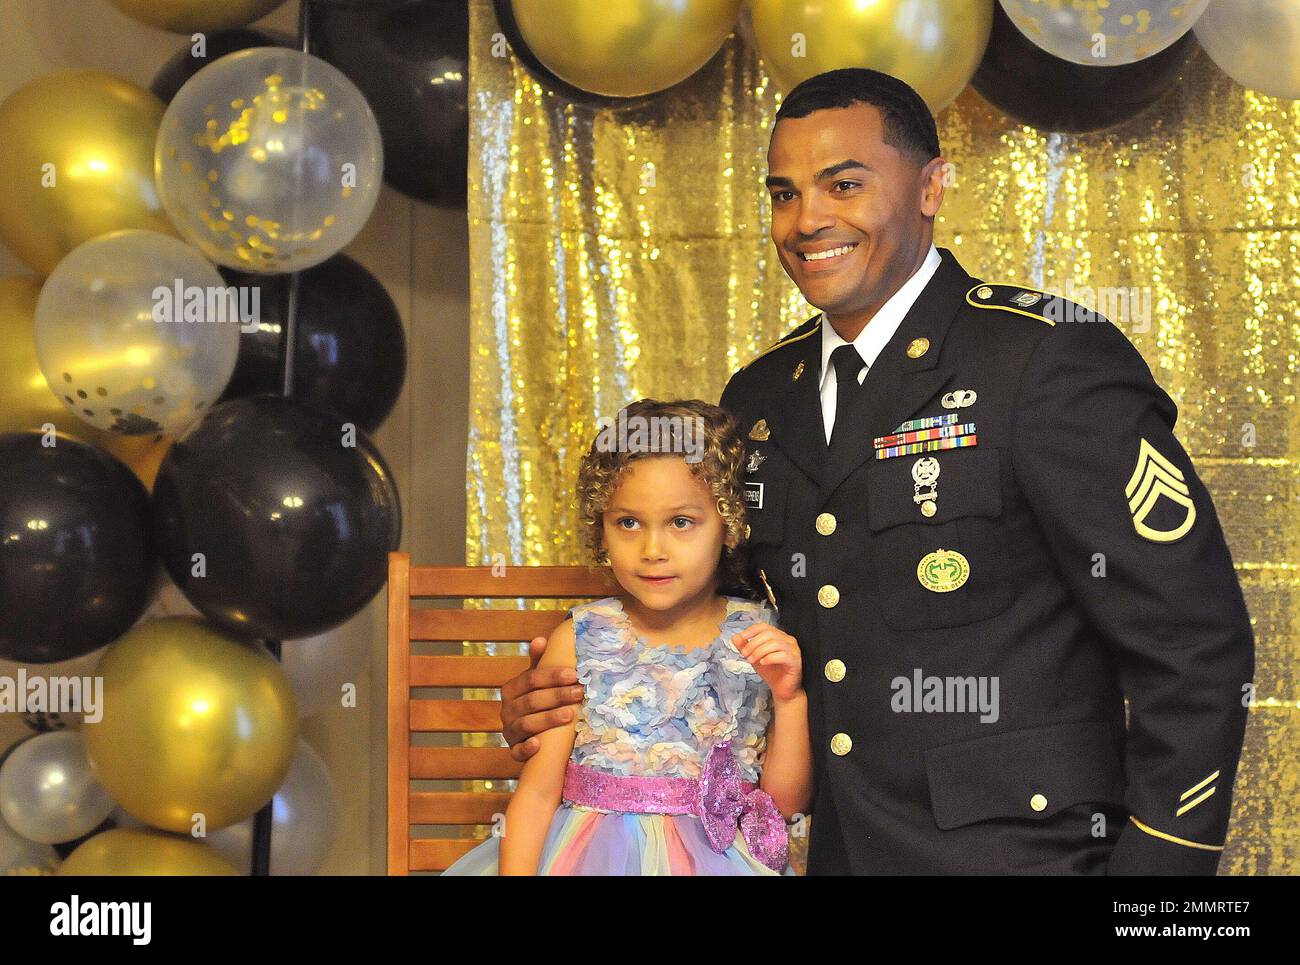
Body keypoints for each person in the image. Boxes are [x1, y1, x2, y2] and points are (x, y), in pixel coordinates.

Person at [501, 68, 1254, 875]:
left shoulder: (1042, 359)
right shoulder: (758, 399)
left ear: (931, 186)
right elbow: (709, 618)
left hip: (1026, 854)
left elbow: (1192, 640)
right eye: (783, 194)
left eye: (845, 184)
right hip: (827, 853)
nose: (807, 219)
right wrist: (563, 702)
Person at [447, 398, 812, 875]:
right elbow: (537, 794)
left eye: (681, 522)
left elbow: (783, 806)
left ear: (728, 524)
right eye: (628, 523)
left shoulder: (760, 635)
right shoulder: (582, 637)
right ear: (601, 527)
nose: (652, 550)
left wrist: (789, 699)